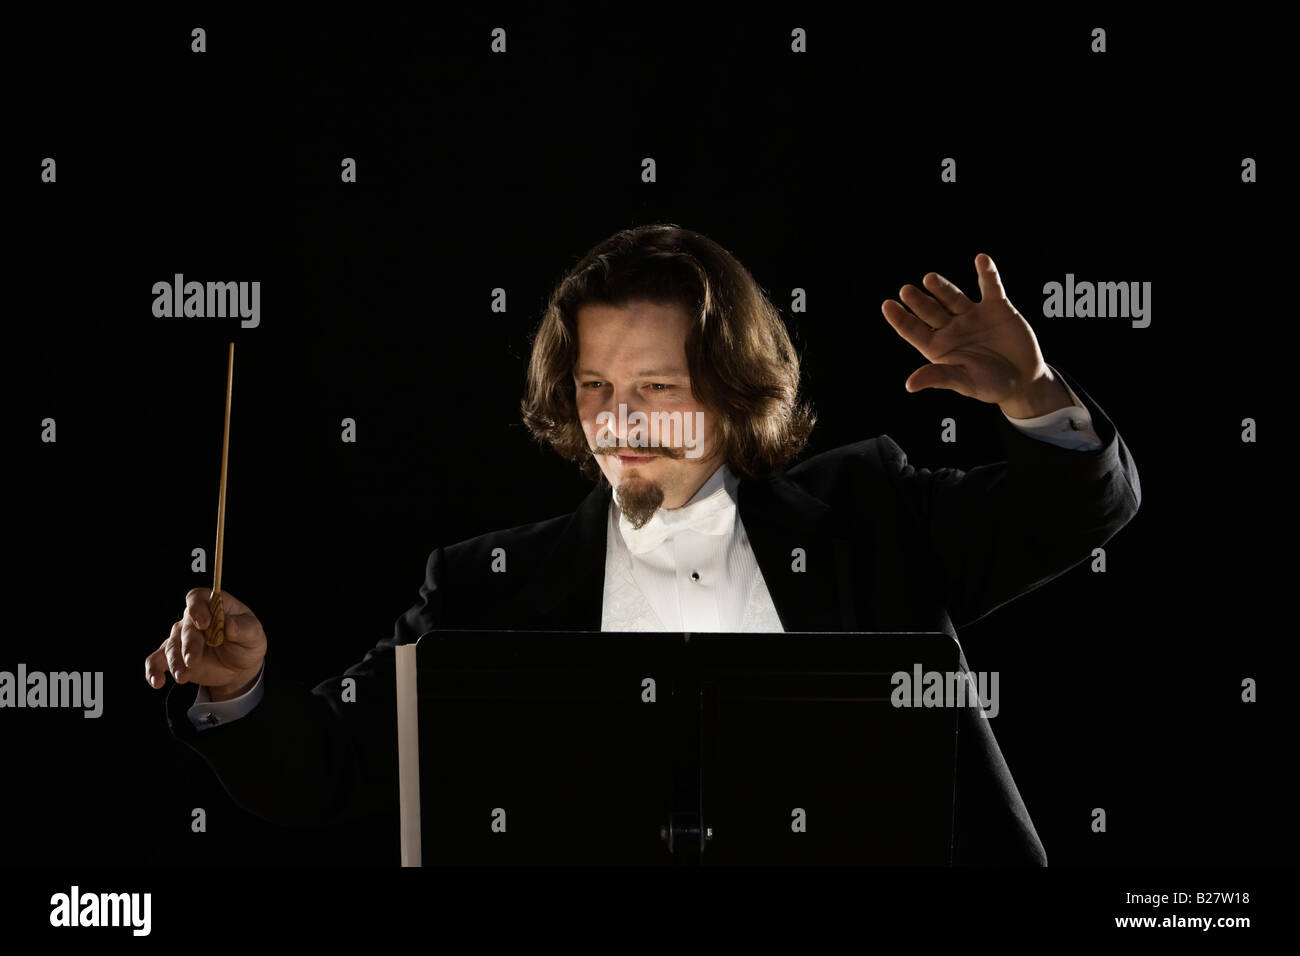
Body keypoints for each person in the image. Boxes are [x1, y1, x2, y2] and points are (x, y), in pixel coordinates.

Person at [145, 223, 1141, 865]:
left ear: (731, 387)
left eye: (657, 387)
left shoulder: (869, 511)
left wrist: (1028, 393)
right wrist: (237, 689)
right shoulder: (486, 584)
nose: (621, 419)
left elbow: (1078, 507)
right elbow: (324, 769)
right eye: (596, 388)